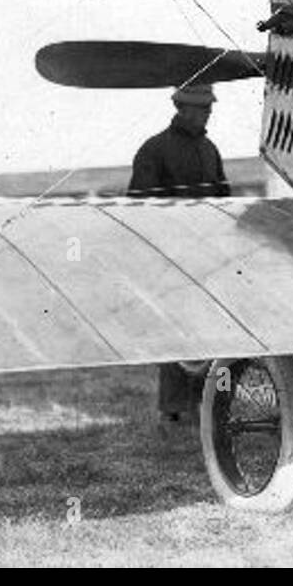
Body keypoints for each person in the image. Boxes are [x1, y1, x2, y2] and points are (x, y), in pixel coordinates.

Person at [129, 82, 231, 422]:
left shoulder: (210, 149)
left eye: (209, 108)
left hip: (208, 259)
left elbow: (224, 200)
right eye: (202, 108)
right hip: (169, 259)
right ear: (181, 108)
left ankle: (211, 406)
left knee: (212, 332)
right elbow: (140, 207)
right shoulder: (153, 150)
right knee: (176, 332)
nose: (208, 113)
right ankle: (174, 410)